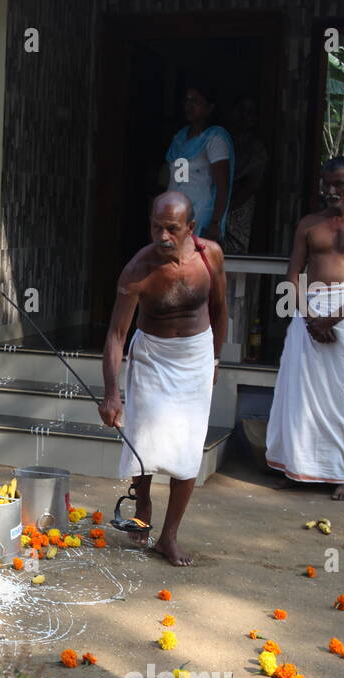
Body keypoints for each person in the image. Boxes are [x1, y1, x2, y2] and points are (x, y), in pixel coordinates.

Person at [99, 192, 227, 567]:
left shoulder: (210, 256)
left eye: (172, 228)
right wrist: (111, 393)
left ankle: (168, 536)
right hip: (153, 356)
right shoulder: (138, 270)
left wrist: (215, 357)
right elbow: (116, 335)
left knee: (187, 451)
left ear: (190, 227)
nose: (163, 235)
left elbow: (220, 310)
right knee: (145, 441)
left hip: (196, 358)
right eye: (157, 227)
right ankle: (143, 503)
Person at [266, 157, 344, 500]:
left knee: (343, 393)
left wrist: (332, 319)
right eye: (326, 184)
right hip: (309, 308)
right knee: (298, 391)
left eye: (339, 185)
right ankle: (293, 466)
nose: (331, 191)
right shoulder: (309, 223)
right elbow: (293, 274)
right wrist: (309, 316)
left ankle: (341, 473)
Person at [164, 85, 234, 242]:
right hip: (174, 215)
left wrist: (215, 222)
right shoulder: (180, 138)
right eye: (187, 101)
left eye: (195, 101)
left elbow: (223, 186)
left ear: (210, 108)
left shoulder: (215, 139)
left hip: (199, 216)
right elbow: (176, 179)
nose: (189, 106)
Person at [222, 95, 268, 254]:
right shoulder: (218, 140)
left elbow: (252, 185)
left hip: (240, 206)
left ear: (254, 119)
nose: (242, 116)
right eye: (240, 110)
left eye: (248, 112)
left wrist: (227, 208)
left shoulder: (255, 147)